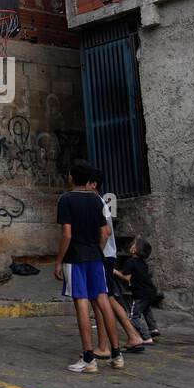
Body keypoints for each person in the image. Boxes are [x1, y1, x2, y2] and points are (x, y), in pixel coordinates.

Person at [55, 159, 121, 373]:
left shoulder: (66, 199)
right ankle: (117, 354)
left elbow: (67, 234)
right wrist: (98, 250)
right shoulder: (97, 201)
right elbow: (104, 233)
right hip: (95, 256)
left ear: (72, 177)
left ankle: (89, 357)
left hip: (75, 257)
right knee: (102, 299)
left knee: (81, 302)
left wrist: (58, 260)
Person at [92, 170, 148, 354]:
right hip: (107, 255)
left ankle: (109, 344)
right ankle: (131, 336)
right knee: (106, 297)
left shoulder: (97, 203)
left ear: (93, 184)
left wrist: (96, 253)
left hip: (103, 256)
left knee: (102, 298)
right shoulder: (100, 202)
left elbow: (105, 233)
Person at [113, 237, 159, 343]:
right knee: (146, 310)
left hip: (141, 294)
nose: (131, 245)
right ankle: (153, 329)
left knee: (134, 317)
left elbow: (126, 278)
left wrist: (115, 272)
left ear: (135, 250)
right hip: (151, 291)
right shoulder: (143, 263)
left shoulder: (130, 262)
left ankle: (146, 337)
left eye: (133, 244)